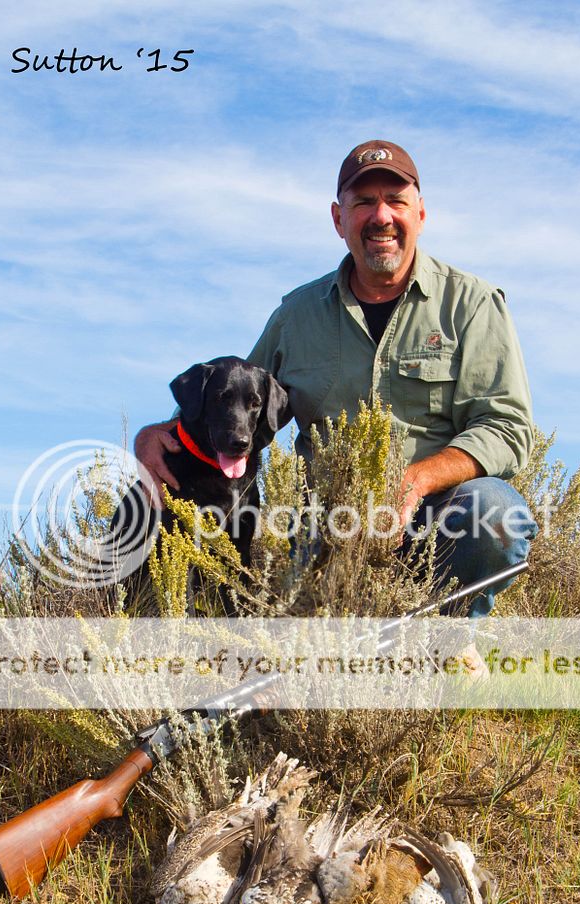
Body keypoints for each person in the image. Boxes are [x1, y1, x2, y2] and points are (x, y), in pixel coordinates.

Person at [134, 140, 537, 635]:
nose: (381, 215)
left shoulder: (471, 304)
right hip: (324, 527)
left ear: (421, 213)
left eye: (396, 200)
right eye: (363, 202)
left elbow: (508, 428)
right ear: (338, 218)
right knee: (290, 637)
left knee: (496, 513)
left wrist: (414, 482)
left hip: (437, 514)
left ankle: (452, 641)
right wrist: (158, 433)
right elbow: (237, 401)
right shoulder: (296, 315)